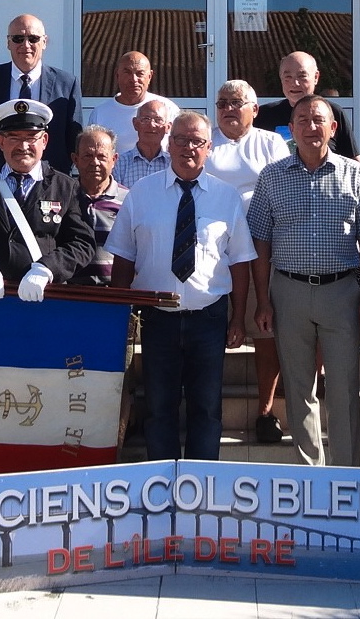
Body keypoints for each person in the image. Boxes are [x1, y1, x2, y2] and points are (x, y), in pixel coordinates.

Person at [106, 111, 256, 461]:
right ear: (169, 143)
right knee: (159, 407)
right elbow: (124, 259)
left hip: (209, 317)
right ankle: (162, 486)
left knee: (207, 408)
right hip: (157, 318)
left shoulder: (226, 197)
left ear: (209, 148)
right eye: (181, 140)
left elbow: (240, 261)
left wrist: (237, 319)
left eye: (197, 142)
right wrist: (119, 316)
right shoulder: (141, 194)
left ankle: (202, 486)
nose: (188, 148)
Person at [248, 95, 360, 467]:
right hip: (288, 292)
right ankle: (312, 474)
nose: (311, 127)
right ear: (290, 129)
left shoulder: (356, 174)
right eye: (303, 120)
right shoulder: (271, 176)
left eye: (318, 120)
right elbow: (259, 242)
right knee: (298, 389)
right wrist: (262, 300)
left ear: (333, 128)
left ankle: (346, 475)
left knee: (342, 389)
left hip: (341, 292)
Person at [0, 99, 94, 301]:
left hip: (44, 298)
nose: (23, 146)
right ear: (0, 142)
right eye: (13, 138)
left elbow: (82, 243)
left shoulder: (66, 187)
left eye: (31, 138)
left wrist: (48, 268)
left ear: (44, 141)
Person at [206, 79, 290, 444]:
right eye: (221, 102)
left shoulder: (270, 142)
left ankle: (265, 411)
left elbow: (284, 190)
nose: (226, 108)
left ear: (254, 110)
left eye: (235, 102)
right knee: (210, 331)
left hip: (260, 249)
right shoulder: (205, 140)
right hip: (210, 251)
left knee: (264, 330)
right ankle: (207, 409)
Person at [0, 14, 82, 174]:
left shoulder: (66, 84)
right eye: (18, 38)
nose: (26, 45)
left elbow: (74, 140)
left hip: (49, 183)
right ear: (8, 43)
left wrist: (60, 181)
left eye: (33, 38)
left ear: (44, 42)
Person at [254, 51, 360, 161]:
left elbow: (353, 159)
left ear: (316, 77)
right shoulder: (264, 115)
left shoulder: (332, 112)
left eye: (302, 76)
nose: (295, 83)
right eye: (288, 77)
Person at [87, 51, 180, 155]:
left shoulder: (168, 109)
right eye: (127, 72)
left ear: (150, 76)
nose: (134, 79)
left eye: (140, 74)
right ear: (117, 75)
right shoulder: (100, 113)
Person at [69, 125, 127, 285]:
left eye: (101, 156)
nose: (94, 162)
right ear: (75, 159)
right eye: (88, 156)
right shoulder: (63, 197)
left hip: (114, 297)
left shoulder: (129, 201)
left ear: (114, 160)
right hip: (69, 296)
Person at [111, 99, 172, 188]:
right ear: (135, 124)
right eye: (146, 119)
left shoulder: (173, 164)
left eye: (158, 120)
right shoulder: (119, 164)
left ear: (168, 127)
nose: (151, 125)